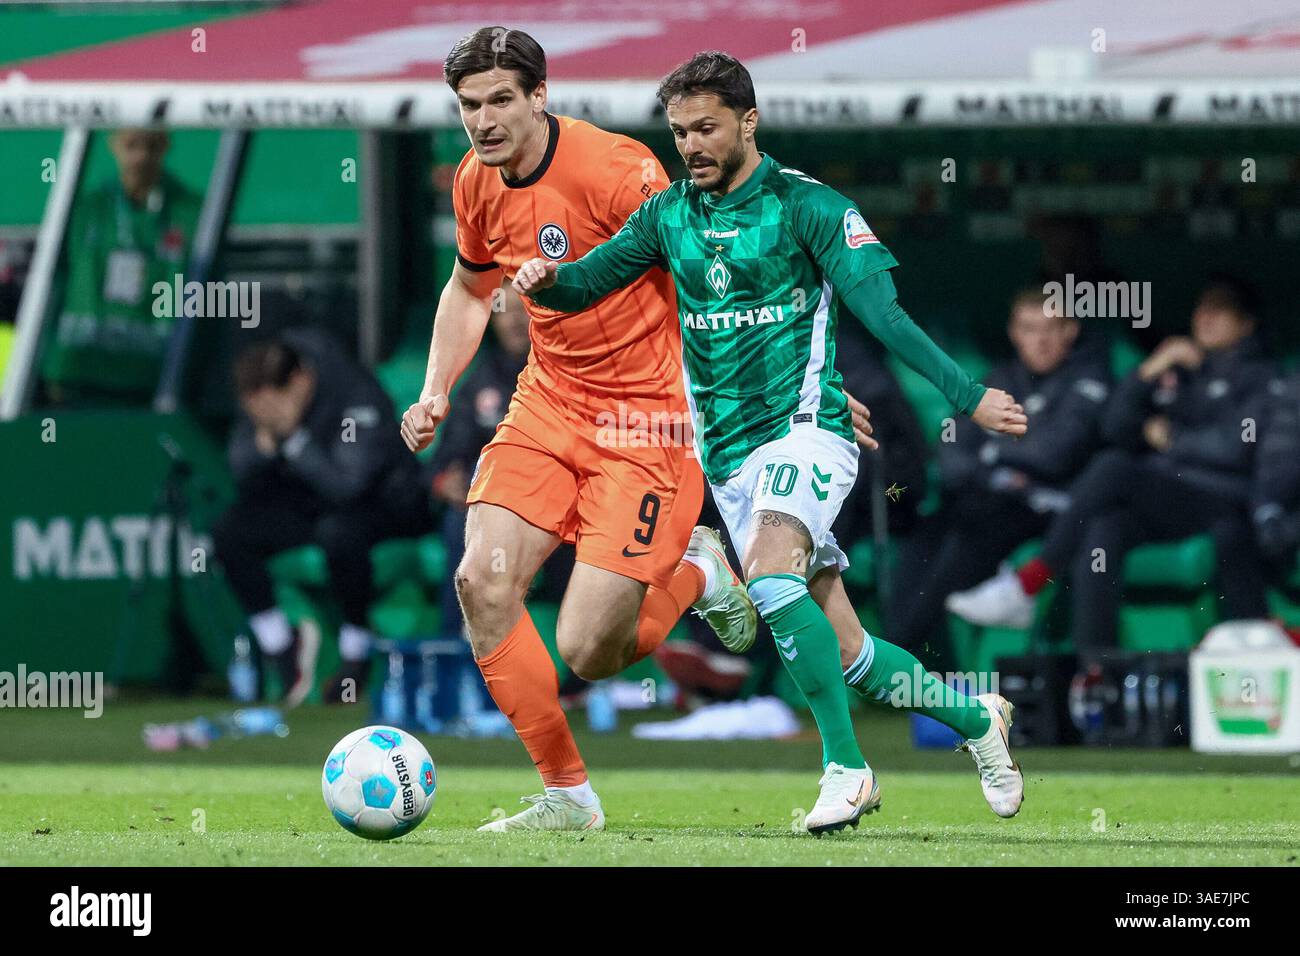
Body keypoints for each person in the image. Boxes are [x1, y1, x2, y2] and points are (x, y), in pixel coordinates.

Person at [514, 51, 1027, 833]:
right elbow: (593, 279)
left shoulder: (808, 208)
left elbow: (884, 318)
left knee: (770, 580)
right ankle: (976, 721)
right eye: (680, 130)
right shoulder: (669, 215)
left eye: (707, 127)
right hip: (728, 459)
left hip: (807, 433)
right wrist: (549, 283)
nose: (690, 145)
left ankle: (847, 771)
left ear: (749, 122)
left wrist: (968, 395)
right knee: (852, 654)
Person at [400, 28, 754, 833]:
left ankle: (699, 572)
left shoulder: (618, 170)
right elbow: (467, 289)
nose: (482, 122)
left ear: (539, 97)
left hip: (647, 420)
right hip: (550, 404)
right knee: (480, 585)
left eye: (499, 101)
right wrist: (434, 390)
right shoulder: (474, 181)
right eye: (467, 106)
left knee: (591, 651)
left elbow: (707, 274)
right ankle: (568, 795)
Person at [948, 277, 1277, 661]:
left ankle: (1029, 583)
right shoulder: (1183, 370)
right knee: (1102, 528)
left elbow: (1238, 448)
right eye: (1203, 308)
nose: (1206, 318)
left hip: (1224, 500)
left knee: (1114, 467)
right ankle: (1098, 677)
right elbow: (1114, 426)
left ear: (1247, 324)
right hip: (1172, 496)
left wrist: (1170, 440)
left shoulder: (1263, 376)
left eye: (1221, 310)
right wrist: (1148, 371)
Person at [214, 329, 433, 706]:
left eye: (270, 407)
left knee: (340, 532)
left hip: (387, 505)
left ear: (299, 382)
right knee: (230, 531)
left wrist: (294, 440)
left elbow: (348, 485)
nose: (263, 418)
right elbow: (239, 465)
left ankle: (355, 650)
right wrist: (260, 449)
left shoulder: (356, 394)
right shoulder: (264, 387)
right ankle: (281, 648)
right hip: (312, 504)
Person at [891, 288, 1110, 665]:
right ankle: (894, 651)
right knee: (924, 536)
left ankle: (903, 656)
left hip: (1049, 511)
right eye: (1028, 329)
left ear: (1070, 330)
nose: (1039, 341)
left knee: (968, 536)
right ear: (1013, 332)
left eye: (1050, 329)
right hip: (986, 498)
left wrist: (991, 454)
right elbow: (949, 452)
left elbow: (1053, 455)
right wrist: (995, 467)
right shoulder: (1000, 378)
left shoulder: (1089, 378)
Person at [42, 128, 202, 404]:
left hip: (155, 378)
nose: (141, 156)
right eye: (131, 145)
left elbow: (210, 296)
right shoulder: (86, 209)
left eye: (151, 146)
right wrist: (52, 367)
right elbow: (53, 286)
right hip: (80, 372)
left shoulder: (191, 213)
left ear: (166, 147)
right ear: (113, 145)